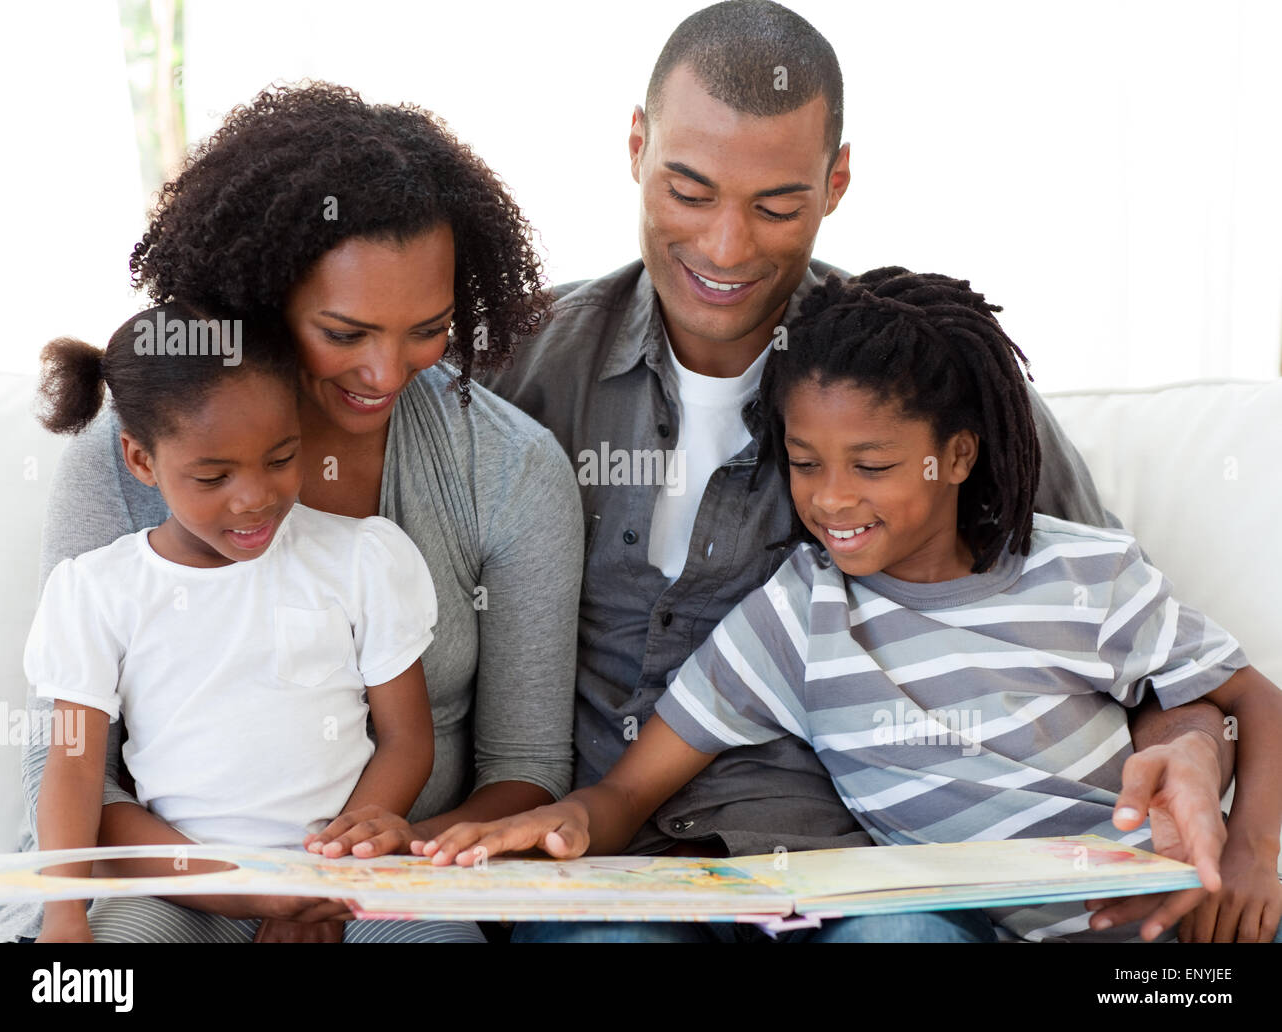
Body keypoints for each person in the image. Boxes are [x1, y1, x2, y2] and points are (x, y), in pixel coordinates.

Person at [468, 0, 1240, 941]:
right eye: (689, 189)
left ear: (836, 182)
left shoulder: (920, 384)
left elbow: (1141, 655)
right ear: (636, 146)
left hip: (849, 884)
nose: (725, 247)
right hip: (611, 872)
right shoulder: (517, 368)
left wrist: (1195, 753)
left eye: (778, 204)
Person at [424, 268, 1282, 943]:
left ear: (955, 456)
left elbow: (1254, 701)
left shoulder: (1083, 571)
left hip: (1188, 908)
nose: (832, 499)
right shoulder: (796, 619)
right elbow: (630, 790)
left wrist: (1250, 857)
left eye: (871, 467)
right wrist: (563, 824)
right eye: (804, 463)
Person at [0, 83, 583, 943]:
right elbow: (77, 772)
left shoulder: (508, 471)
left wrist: (368, 859)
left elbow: (524, 768)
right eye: (345, 333)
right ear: (262, 300)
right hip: (151, 880)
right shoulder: (129, 455)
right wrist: (245, 890)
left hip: (381, 881)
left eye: (427, 328)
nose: (386, 372)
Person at [28, 302, 485, 943]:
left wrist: (333, 873)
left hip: (345, 884)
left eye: (280, 458)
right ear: (140, 461)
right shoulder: (96, 591)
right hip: (181, 892)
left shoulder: (360, 558)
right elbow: (74, 770)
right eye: (213, 476)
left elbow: (407, 739)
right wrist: (64, 915)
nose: (255, 498)